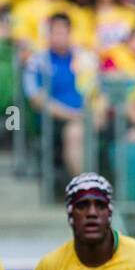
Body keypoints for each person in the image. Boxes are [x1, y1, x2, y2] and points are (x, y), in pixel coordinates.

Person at [23, 12, 99, 179]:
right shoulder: (38, 61)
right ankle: (85, 188)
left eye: (63, 32)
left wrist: (93, 113)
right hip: (55, 121)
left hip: (89, 116)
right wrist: (73, 115)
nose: (59, 37)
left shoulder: (84, 57)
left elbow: (97, 90)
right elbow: (37, 99)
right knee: (75, 133)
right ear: (48, 34)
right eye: (55, 32)